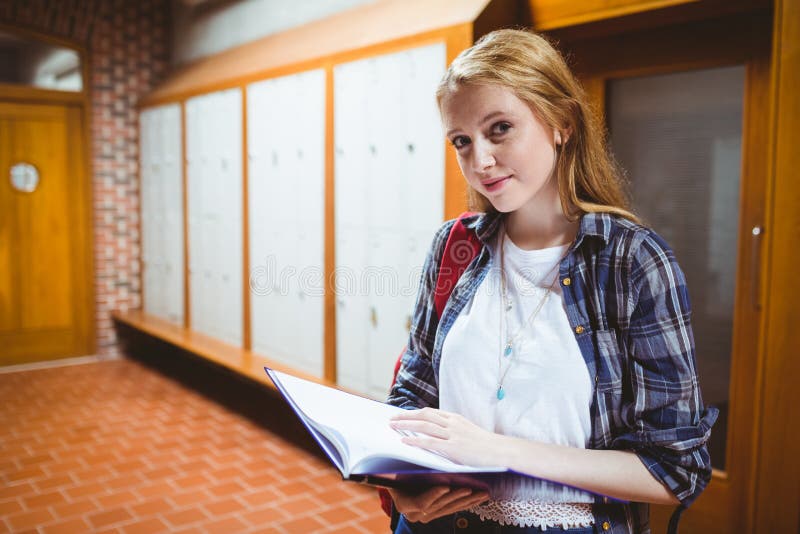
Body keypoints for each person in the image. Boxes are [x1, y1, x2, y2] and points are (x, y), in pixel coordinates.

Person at [385, 28, 717, 534]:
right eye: (462, 141)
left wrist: (497, 453)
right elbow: (411, 391)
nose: (480, 161)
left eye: (500, 129)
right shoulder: (454, 246)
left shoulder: (632, 262)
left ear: (560, 122)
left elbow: (674, 471)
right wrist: (400, 481)